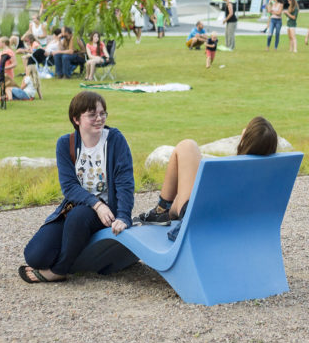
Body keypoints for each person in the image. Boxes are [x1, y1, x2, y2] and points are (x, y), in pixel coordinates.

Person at [18, 91, 133, 283]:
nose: (99, 119)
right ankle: (75, 251)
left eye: (102, 113)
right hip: (79, 207)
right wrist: (96, 204)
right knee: (35, 256)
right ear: (76, 119)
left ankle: (59, 271)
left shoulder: (114, 140)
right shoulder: (66, 144)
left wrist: (123, 216)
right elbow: (69, 186)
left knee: (79, 217)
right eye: (92, 114)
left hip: (106, 211)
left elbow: (125, 182)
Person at [135, 116, 281, 225]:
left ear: (244, 140)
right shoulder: (272, 173)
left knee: (187, 146)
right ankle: (165, 212)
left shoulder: (230, 169)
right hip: (236, 223)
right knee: (181, 198)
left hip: (202, 221)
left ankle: (161, 210)